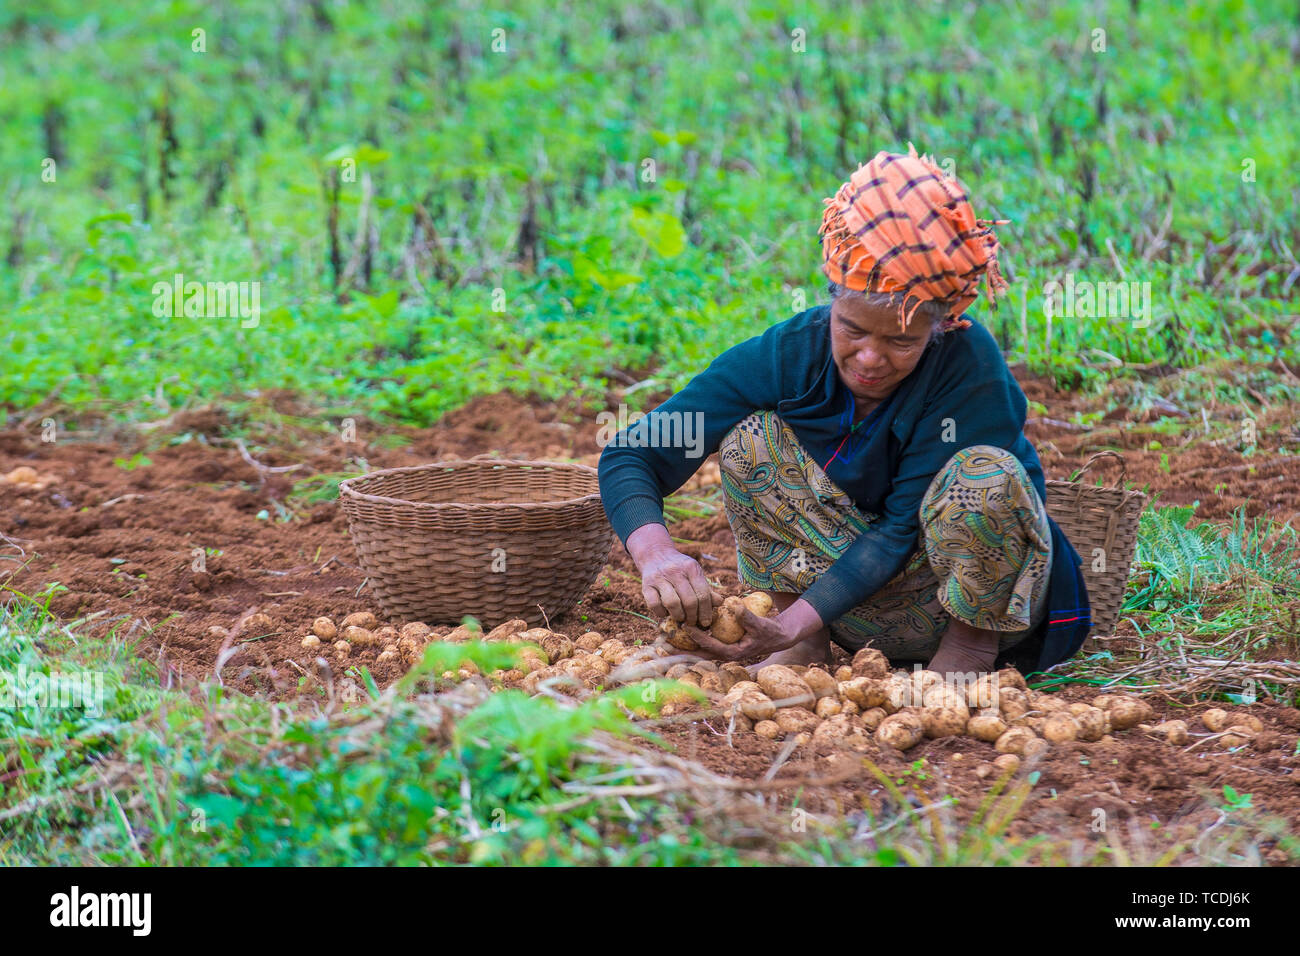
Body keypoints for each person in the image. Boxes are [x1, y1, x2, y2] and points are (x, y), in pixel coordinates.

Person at [597, 145, 1091, 677]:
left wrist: (797, 620)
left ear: (941, 324)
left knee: (986, 477)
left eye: (901, 341)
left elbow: (900, 530)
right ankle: (803, 645)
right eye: (852, 329)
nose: (870, 359)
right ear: (833, 299)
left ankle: (967, 654)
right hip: (853, 609)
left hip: (970, 605)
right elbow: (632, 453)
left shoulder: (969, 370)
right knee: (750, 440)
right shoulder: (792, 352)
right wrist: (656, 555)